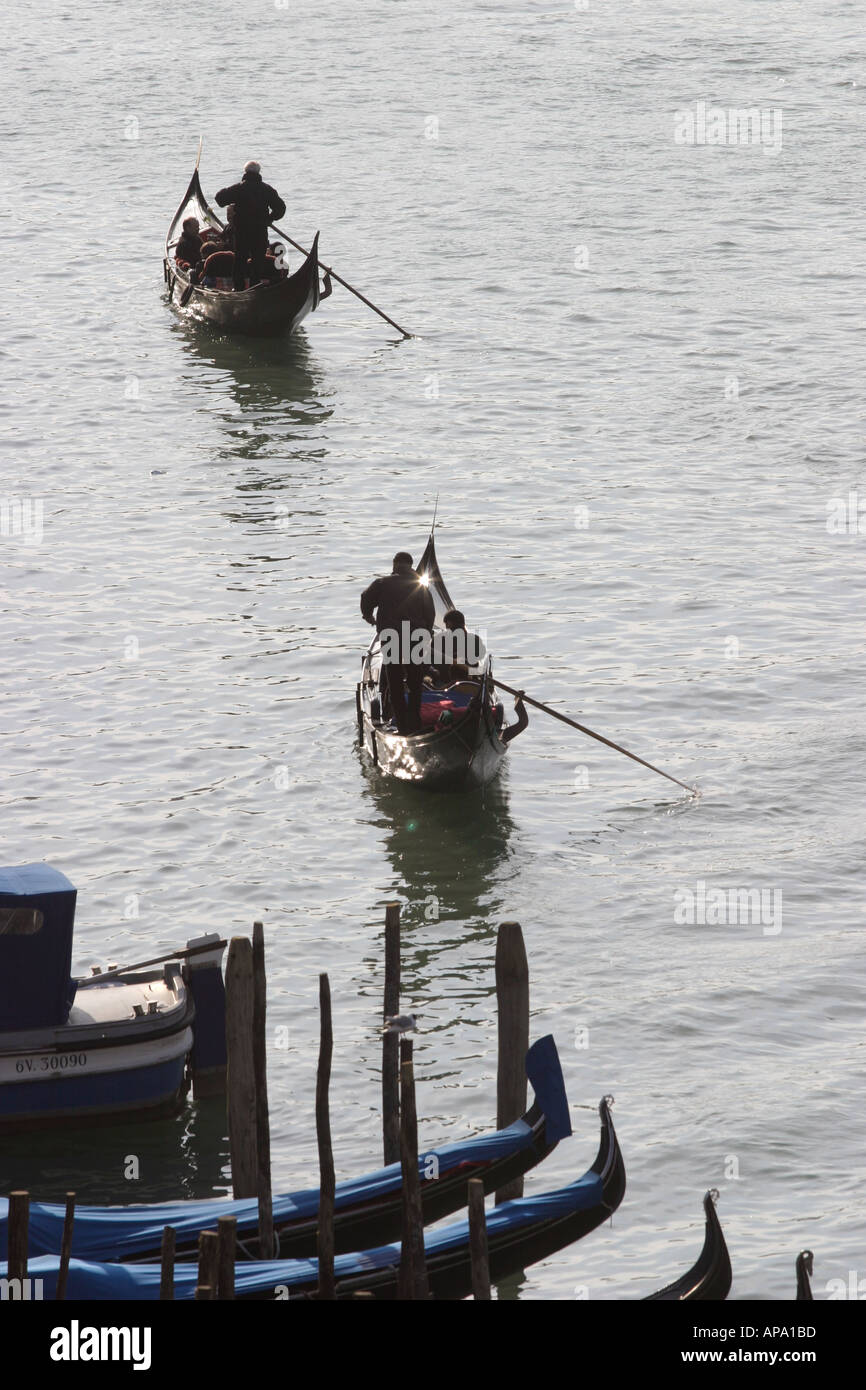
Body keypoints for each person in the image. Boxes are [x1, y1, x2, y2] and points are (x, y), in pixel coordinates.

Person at [361, 553, 435, 734]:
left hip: (391, 635)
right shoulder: (420, 586)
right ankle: (415, 722)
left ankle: (402, 725)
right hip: (415, 636)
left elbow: (365, 598)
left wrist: (368, 616)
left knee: (394, 680)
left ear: (395, 564)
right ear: (410, 565)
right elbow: (430, 613)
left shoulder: (382, 583)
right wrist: (427, 632)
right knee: (415, 681)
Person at [214, 161, 287, 292]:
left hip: (242, 231)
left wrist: (232, 195)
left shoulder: (239, 188)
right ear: (258, 172)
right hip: (260, 231)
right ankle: (255, 287)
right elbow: (281, 208)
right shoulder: (267, 190)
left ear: (245, 172)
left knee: (240, 260)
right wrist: (270, 218)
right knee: (258, 260)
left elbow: (219, 198)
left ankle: (238, 288)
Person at [430, 608, 485, 686]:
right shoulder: (475, 639)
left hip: (444, 682)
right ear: (463, 624)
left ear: (449, 623)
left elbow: (430, 662)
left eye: (446, 624)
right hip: (469, 682)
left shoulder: (438, 639)